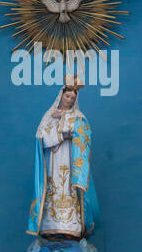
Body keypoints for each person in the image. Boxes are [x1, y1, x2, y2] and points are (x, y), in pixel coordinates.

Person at [27, 82, 98, 239]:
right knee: (54, 189)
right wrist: (61, 136)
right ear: (61, 95)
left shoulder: (78, 117)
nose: (69, 100)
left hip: (69, 159)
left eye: (73, 97)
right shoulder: (49, 116)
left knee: (68, 189)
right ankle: (50, 227)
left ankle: (70, 227)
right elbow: (41, 139)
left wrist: (66, 119)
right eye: (67, 96)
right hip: (53, 160)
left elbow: (84, 133)